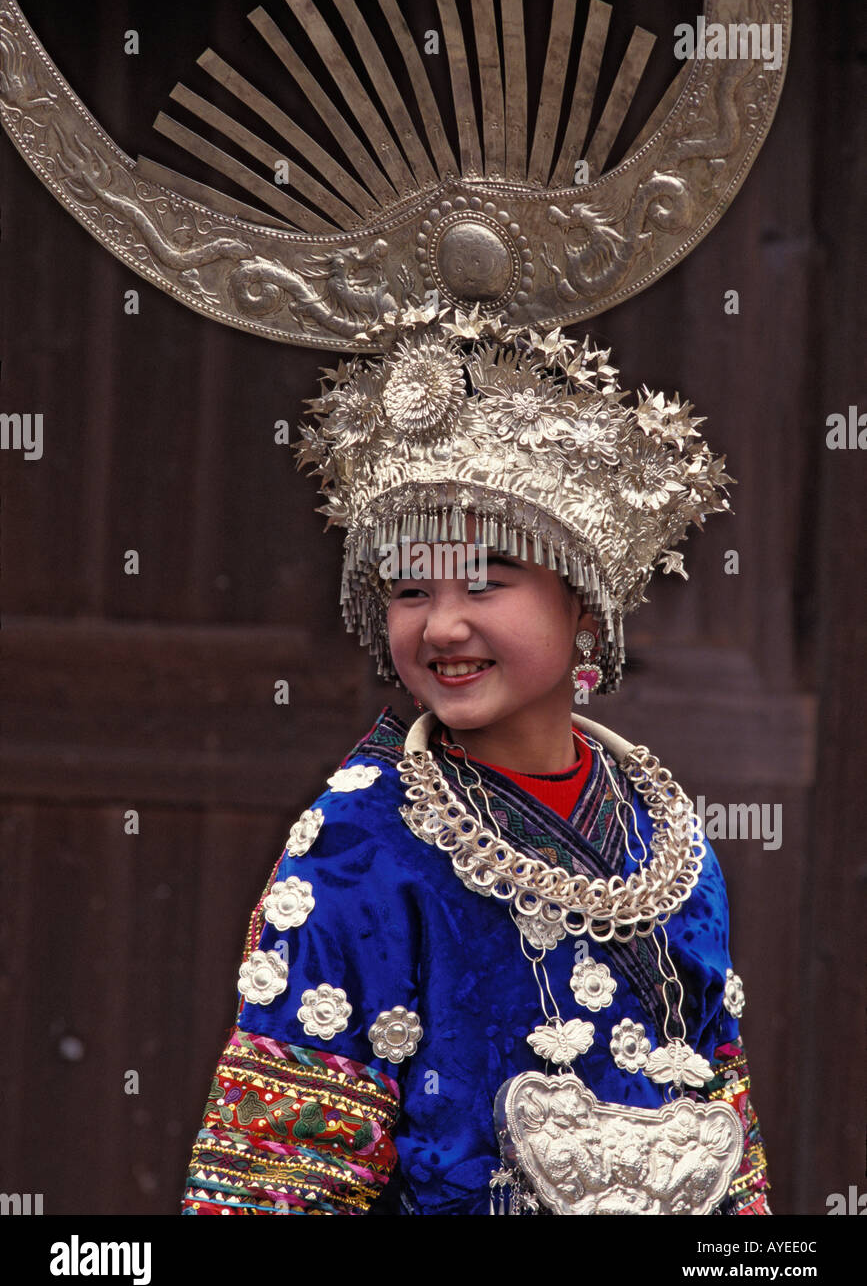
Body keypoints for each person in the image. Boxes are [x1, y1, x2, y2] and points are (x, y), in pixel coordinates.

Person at [181, 312, 771, 1215]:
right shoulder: (362, 844)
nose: (441, 626)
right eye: (410, 591)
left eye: (484, 584)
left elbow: (723, 1132)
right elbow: (280, 1179)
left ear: (584, 604)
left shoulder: (669, 842)